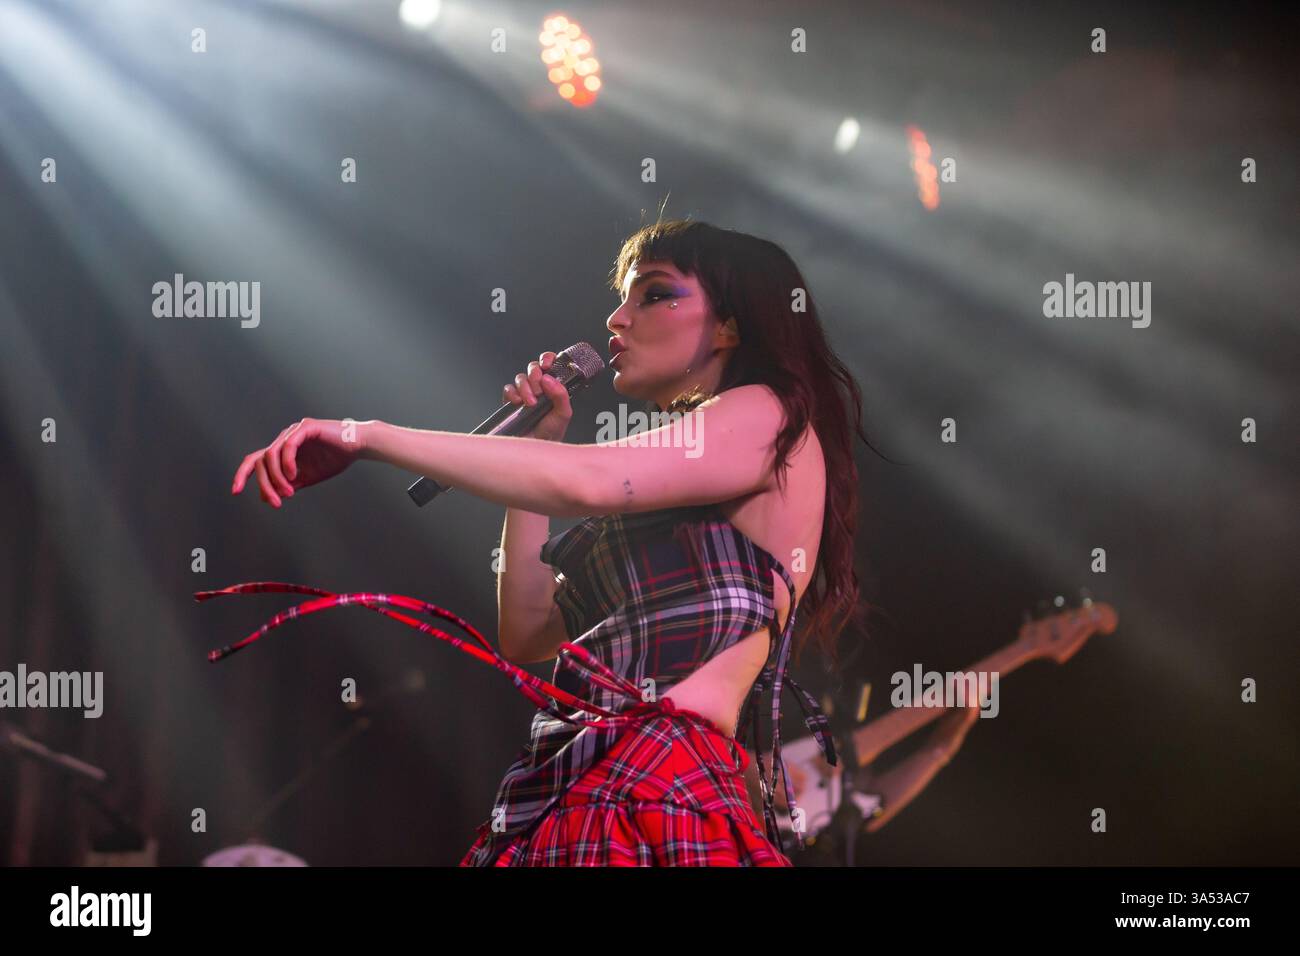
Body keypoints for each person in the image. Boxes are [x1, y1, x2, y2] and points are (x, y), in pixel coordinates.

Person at [230, 218, 877, 866]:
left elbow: (588, 482)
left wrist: (366, 434)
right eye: (622, 297)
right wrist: (533, 450)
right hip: (582, 779)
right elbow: (529, 629)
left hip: (660, 783)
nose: (616, 320)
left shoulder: (768, 412)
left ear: (731, 325)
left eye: (653, 294)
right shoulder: (686, 487)